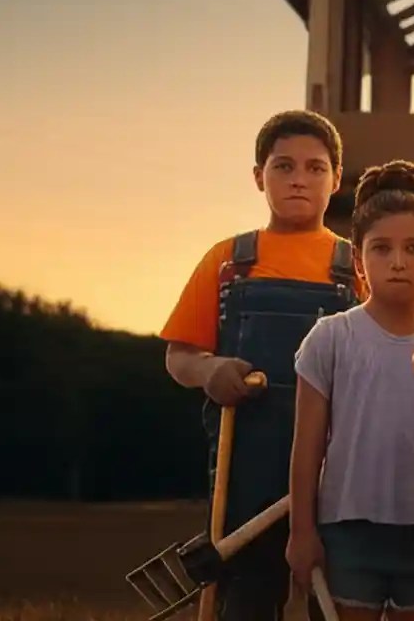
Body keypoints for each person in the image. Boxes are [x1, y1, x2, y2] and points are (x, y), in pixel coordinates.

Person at [160, 110, 364, 620]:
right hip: (247, 466)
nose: (299, 179)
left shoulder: (358, 267)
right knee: (249, 597)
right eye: (284, 166)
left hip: (340, 467)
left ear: (336, 179)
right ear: (259, 176)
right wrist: (209, 371)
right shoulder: (228, 261)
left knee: (339, 600)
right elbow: (179, 356)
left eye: (316, 168)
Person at [286, 160, 414, 620]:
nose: (399, 261)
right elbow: (306, 448)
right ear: (359, 257)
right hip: (349, 530)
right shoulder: (331, 338)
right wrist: (301, 532)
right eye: (382, 248)